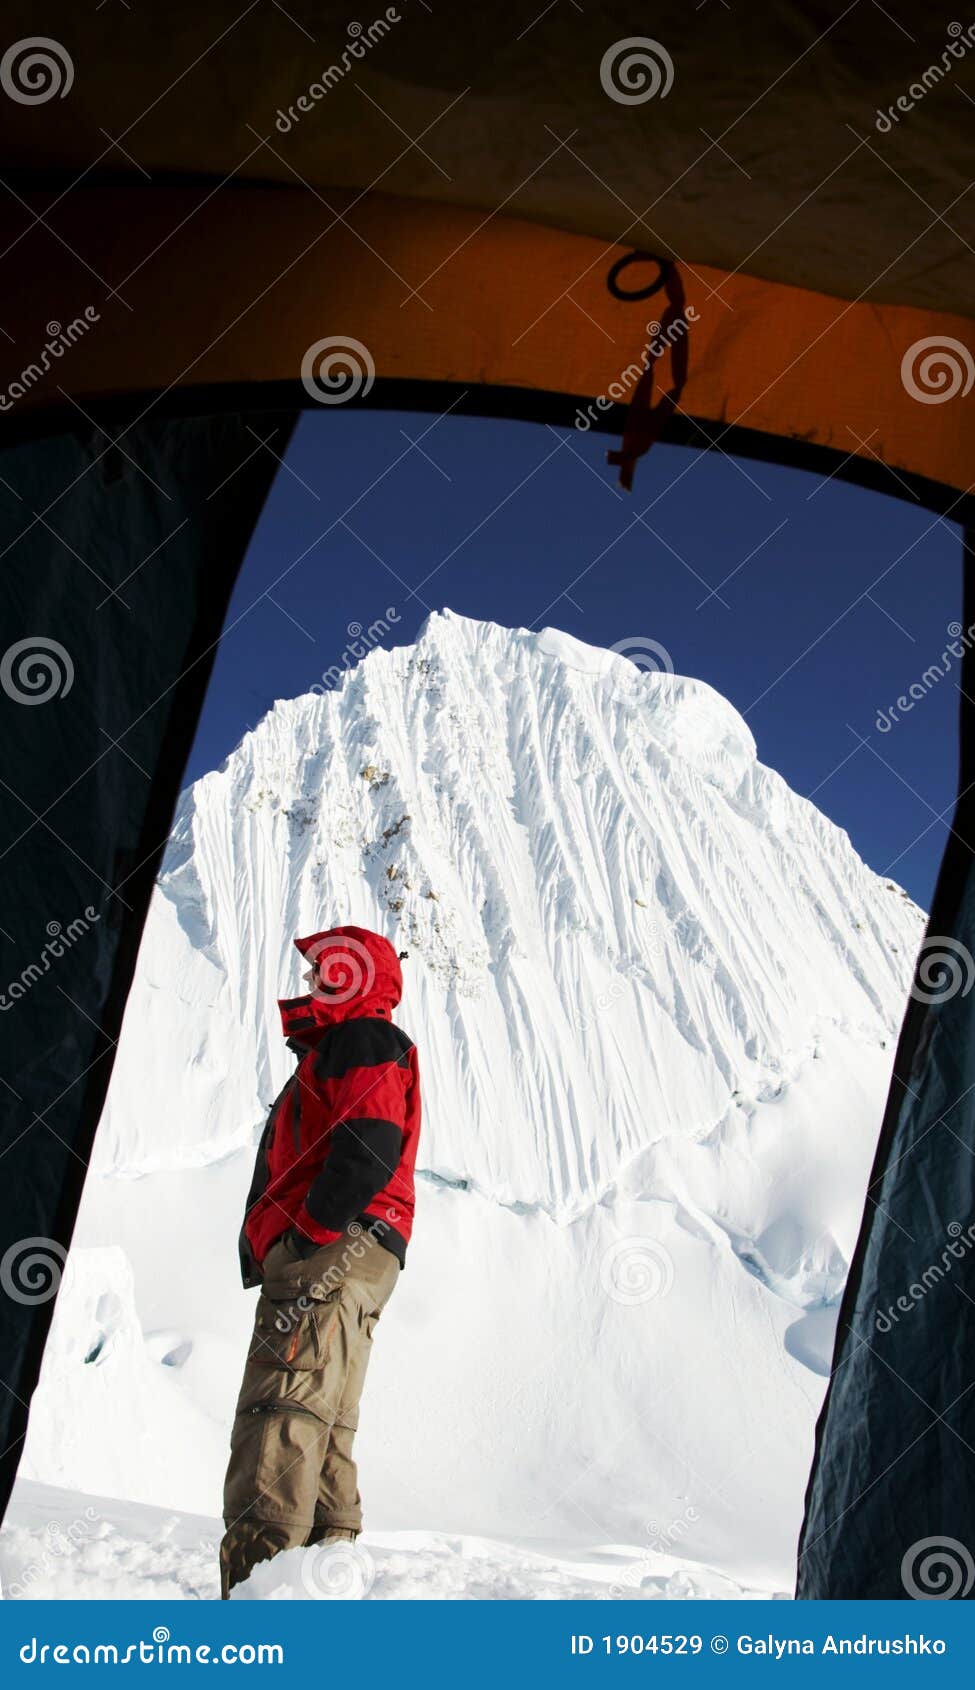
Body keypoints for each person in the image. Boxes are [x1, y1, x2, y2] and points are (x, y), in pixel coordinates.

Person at [219, 924, 421, 1598]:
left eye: (321, 972)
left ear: (351, 978)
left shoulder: (358, 1039)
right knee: (324, 1423)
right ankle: (326, 1593)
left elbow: (368, 1143)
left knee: (279, 1415)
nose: (309, 983)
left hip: (331, 1249)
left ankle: (256, 1614)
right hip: (364, 1254)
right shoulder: (359, 1043)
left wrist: (306, 1234)